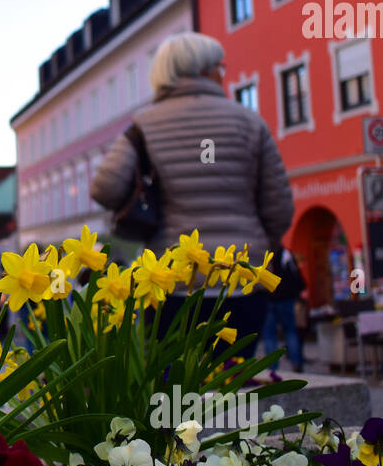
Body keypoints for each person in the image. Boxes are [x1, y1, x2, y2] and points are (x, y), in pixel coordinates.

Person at [90, 31, 295, 350]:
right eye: (220, 67)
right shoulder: (250, 122)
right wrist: (260, 244)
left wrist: (146, 195)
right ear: (203, 70)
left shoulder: (144, 124)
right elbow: (279, 206)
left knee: (176, 387)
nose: (222, 74)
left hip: (171, 281)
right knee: (233, 384)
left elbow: (104, 188)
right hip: (241, 279)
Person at [261, 243, 306, 372]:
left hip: (269, 299)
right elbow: (296, 276)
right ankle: (296, 363)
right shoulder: (285, 254)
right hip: (286, 299)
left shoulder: (265, 251)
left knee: (269, 335)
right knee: (291, 331)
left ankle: (272, 368)